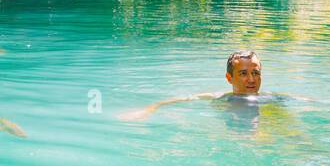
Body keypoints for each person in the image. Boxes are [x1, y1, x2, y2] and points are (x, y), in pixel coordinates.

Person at [118, 50, 313, 121]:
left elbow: (319, 103)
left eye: (256, 73)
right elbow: (176, 100)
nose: (251, 80)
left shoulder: (274, 98)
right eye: (243, 74)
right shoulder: (220, 98)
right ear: (229, 78)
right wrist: (149, 109)